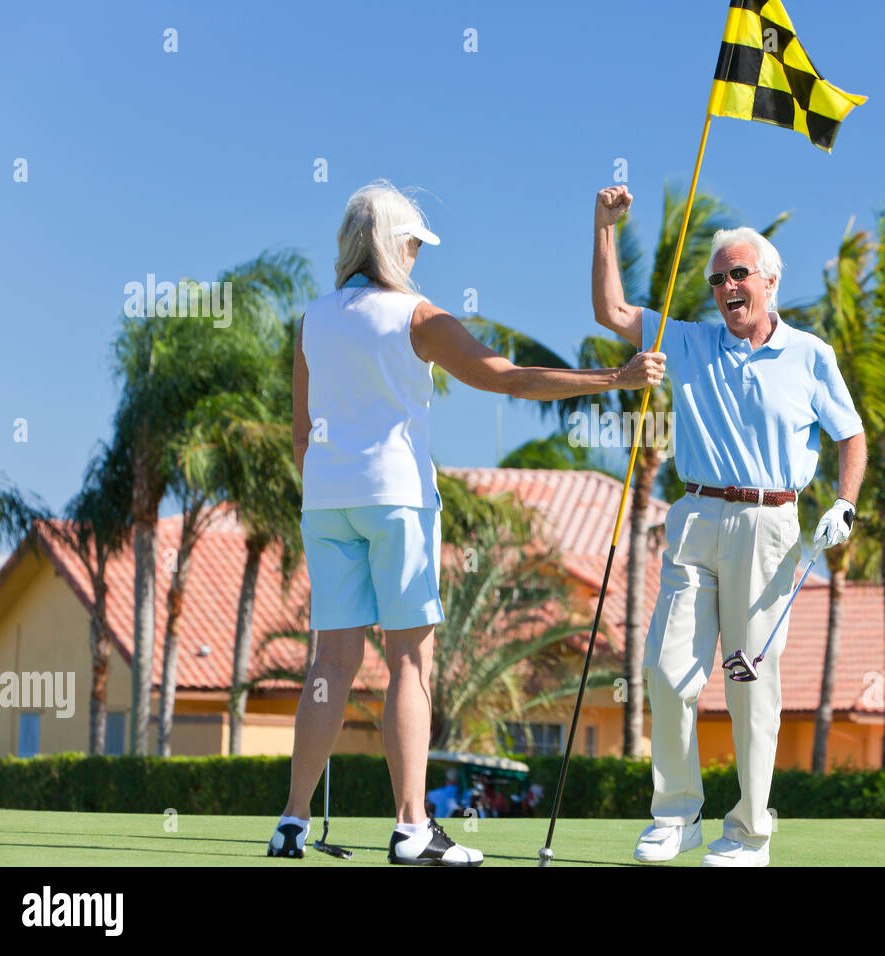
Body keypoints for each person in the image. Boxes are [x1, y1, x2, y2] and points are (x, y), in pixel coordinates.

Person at [268, 180, 665, 867]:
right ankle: (412, 828)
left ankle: (292, 824)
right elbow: (506, 377)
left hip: (327, 503)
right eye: (415, 244)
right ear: (396, 245)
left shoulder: (313, 320)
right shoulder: (419, 317)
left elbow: (302, 435)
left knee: (330, 665)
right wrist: (614, 380)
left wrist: (333, 487)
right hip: (397, 500)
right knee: (409, 662)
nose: (419, 255)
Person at [591, 185, 867, 867]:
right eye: (717, 278)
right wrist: (604, 227)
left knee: (749, 681)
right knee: (666, 669)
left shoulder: (809, 354)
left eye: (739, 273)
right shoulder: (687, 341)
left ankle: (748, 832)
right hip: (693, 518)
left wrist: (845, 502)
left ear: (770, 280)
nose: (726, 286)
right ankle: (676, 818)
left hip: (771, 524)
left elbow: (851, 435)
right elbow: (612, 310)